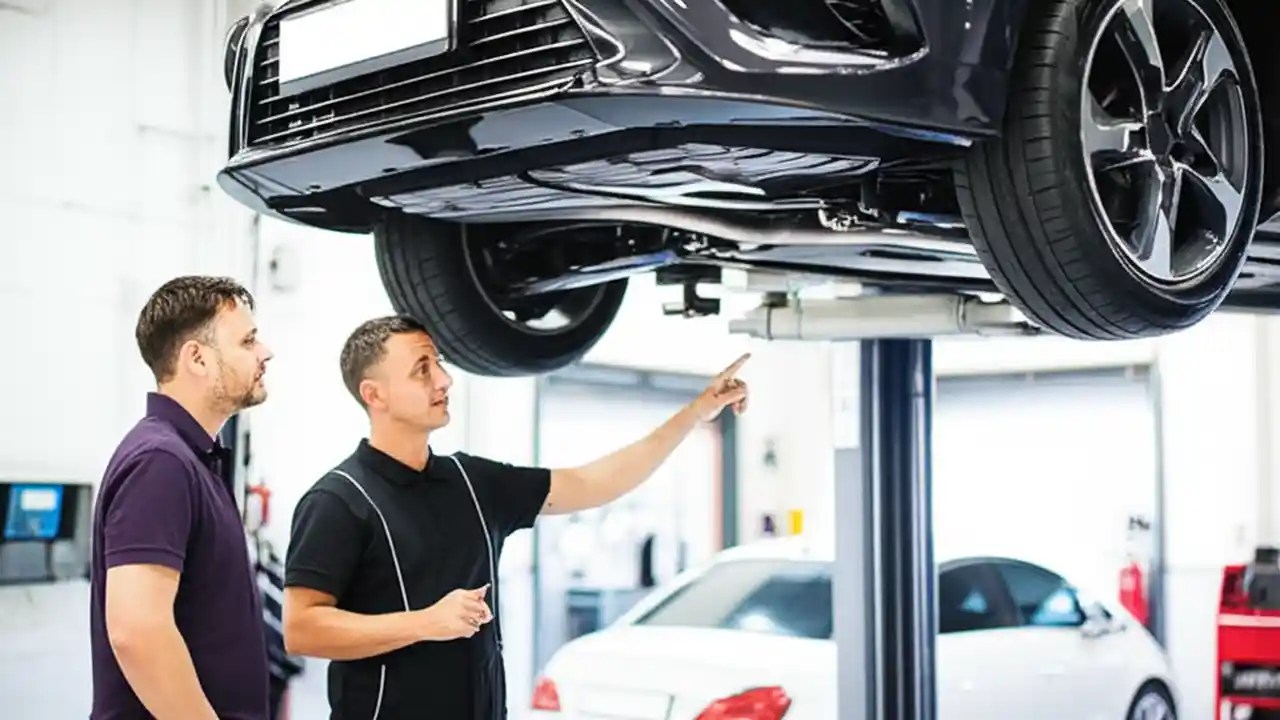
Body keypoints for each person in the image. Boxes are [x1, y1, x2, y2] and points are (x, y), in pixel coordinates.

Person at [283, 314, 750, 720]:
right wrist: (426, 622)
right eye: (421, 370)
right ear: (375, 395)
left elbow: (594, 482)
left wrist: (695, 413)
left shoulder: (472, 482)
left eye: (439, 363)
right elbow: (302, 628)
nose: (443, 380)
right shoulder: (338, 500)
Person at [89, 276, 275, 720]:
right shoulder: (162, 462)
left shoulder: (194, 460)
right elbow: (138, 630)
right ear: (198, 358)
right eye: (248, 341)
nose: (265, 352)